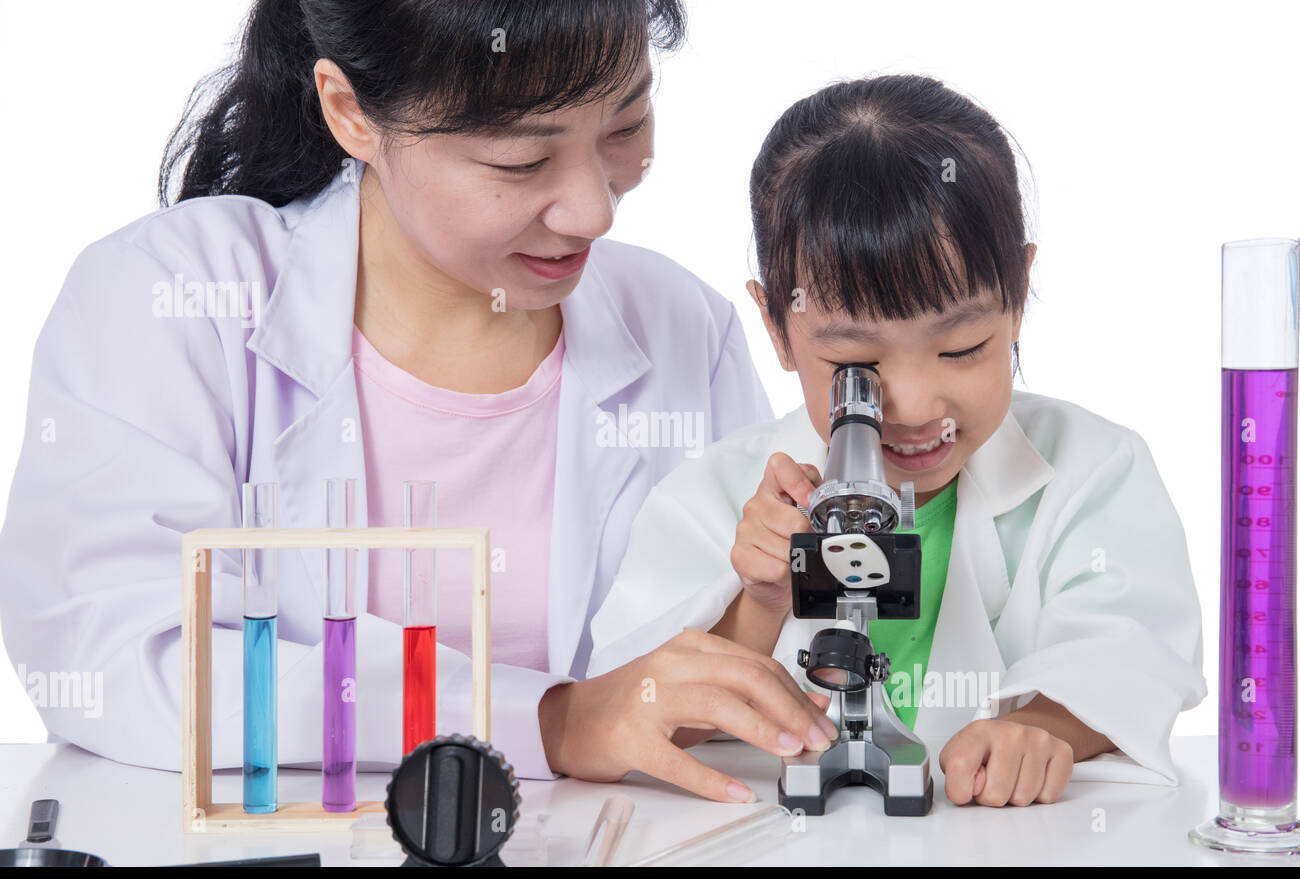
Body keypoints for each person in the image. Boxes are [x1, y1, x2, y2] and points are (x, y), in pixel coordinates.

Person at [0, 0, 834, 795]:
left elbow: (751, 691)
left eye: (626, 125)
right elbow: (111, 661)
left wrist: (757, 620)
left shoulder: (683, 326)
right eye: (521, 159)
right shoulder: (175, 298)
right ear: (351, 111)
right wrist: (546, 723)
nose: (593, 210)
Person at [582, 74, 1208, 808]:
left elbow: (1134, 650)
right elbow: (633, 712)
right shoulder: (711, 496)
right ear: (776, 328)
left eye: (963, 347)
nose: (911, 406)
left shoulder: (1094, 469)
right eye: (857, 366)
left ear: (1019, 295)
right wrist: (757, 604)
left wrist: (1047, 726)